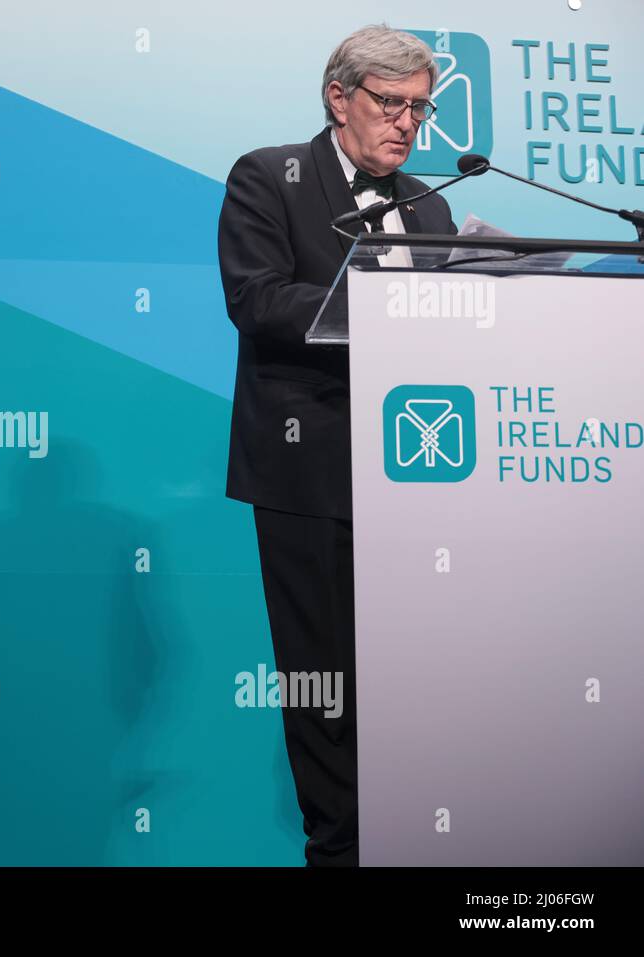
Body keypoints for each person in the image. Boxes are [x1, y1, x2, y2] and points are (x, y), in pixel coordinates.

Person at [217, 25, 457, 866]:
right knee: (326, 682)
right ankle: (342, 848)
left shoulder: (431, 203)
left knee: (413, 678)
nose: (406, 125)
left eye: (420, 108)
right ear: (338, 97)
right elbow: (257, 299)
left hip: (417, 474)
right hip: (309, 468)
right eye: (390, 104)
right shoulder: (269, 176)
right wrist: (382, 302)